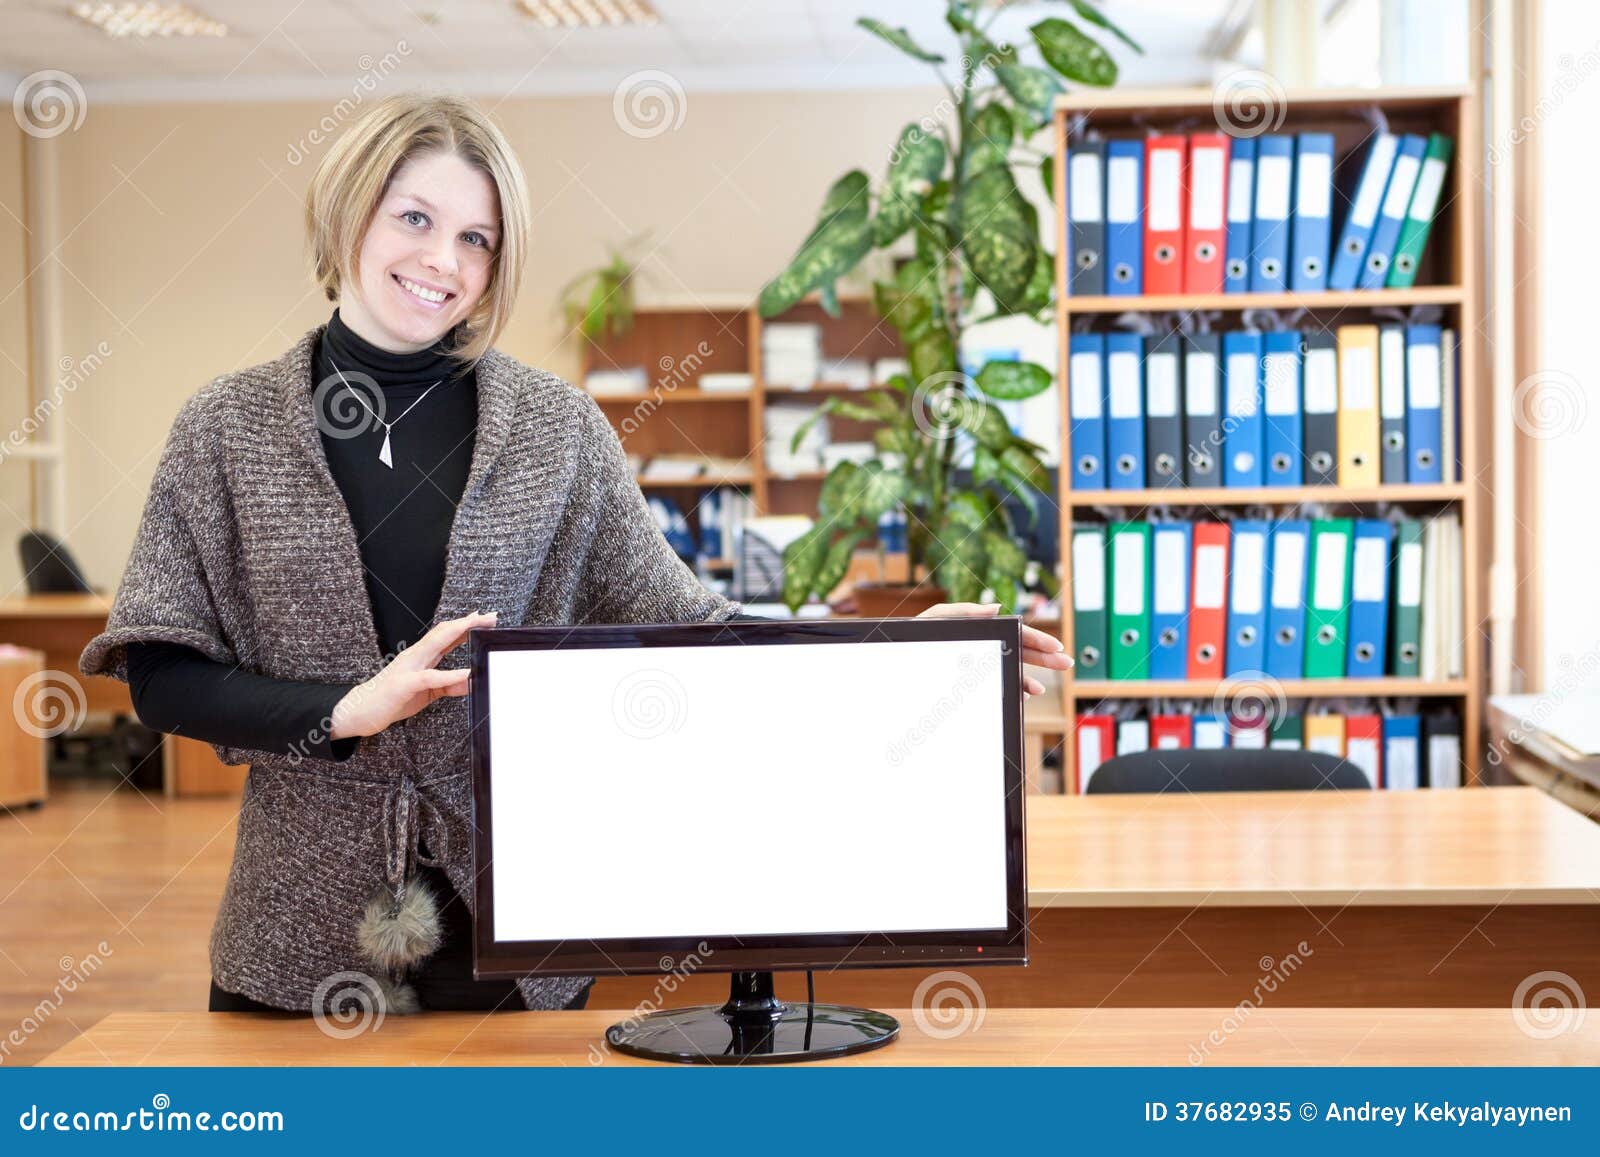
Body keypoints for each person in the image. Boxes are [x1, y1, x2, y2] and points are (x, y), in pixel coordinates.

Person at [79, 92, 1071, 1016]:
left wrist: (909, 647)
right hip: (294, 938)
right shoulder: (227, 426)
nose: (445, 260)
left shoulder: (554, 428)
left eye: (477, 237)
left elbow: (699, 628)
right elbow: (163, 673)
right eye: (414, 219)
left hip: (515, 933)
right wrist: (347, 708)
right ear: (348, 214)